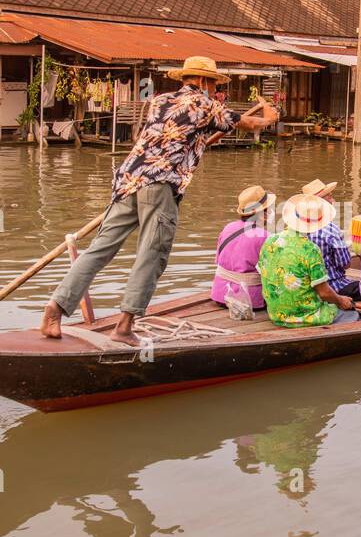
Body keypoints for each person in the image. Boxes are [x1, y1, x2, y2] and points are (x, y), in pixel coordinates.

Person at [41, 56, 278, 344]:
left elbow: (173, 136)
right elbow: (248, 123)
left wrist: (199, 141)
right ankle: (125, 327)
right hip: (159, 184)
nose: (214, 89)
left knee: (100, 248)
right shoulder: (204, 104)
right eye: (213, 83)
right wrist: (269, 116)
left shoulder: (159, 100)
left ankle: (55, 308)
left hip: (129, 179)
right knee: (153, 253)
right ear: (203, 82)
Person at [258, 194, 361, 327]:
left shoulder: (270, 240)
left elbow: (264, 274)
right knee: (353, 315)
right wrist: (340, 300)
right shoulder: (310, 249)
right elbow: (324, 293)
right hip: (304, 317)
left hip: (275, 313)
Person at [211, 185, 274, 311]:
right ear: (263, 213)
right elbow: (272, 274)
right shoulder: (266, 237)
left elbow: (218, 260)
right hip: (249, 299)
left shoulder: (228, 227)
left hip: (219, 295)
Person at [300, 178, 359, 300]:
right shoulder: (330, 230)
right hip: (333, 287)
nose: (333, 200)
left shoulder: (295, 227)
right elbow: (345, 264)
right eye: (330, 196)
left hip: (304, 287)